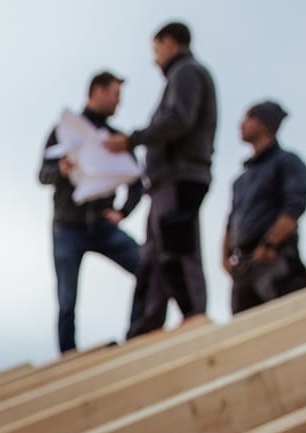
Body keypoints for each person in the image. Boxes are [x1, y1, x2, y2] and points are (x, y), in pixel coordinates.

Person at [105, 21, 218, 338]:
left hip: (180, 177)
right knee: (154, 261)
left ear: (169, 42)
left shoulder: (186, 73)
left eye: (156, 49)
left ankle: (195, 320)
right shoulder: (181, 76)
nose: (154, 58)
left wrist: (133, 139)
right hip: (167, 181)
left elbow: (179, 120)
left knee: (178, 250)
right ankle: (144, 330)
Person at [39, 70, 145, 354]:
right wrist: (60, 171)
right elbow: (42, 174)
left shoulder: (115, 139)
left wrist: (122, 212)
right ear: (97, 90)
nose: (118, 103)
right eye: (115, 95)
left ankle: (136, 334)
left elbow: (138, 183)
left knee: (148, 266)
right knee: (66, 300)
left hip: (101, 225)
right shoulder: (64, 130)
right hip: (67, 226)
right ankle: (69, 358)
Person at [223, 100, 306, 314]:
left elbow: (294, 208)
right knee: (245, 337)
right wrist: (224, 258)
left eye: (249, 118)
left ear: (264, 123)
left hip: (275, 261)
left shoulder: (286, 162)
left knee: (291, 324)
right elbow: (230, 222)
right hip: (243, 268)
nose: (241, 124)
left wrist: (269, 245)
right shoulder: (241, 180)